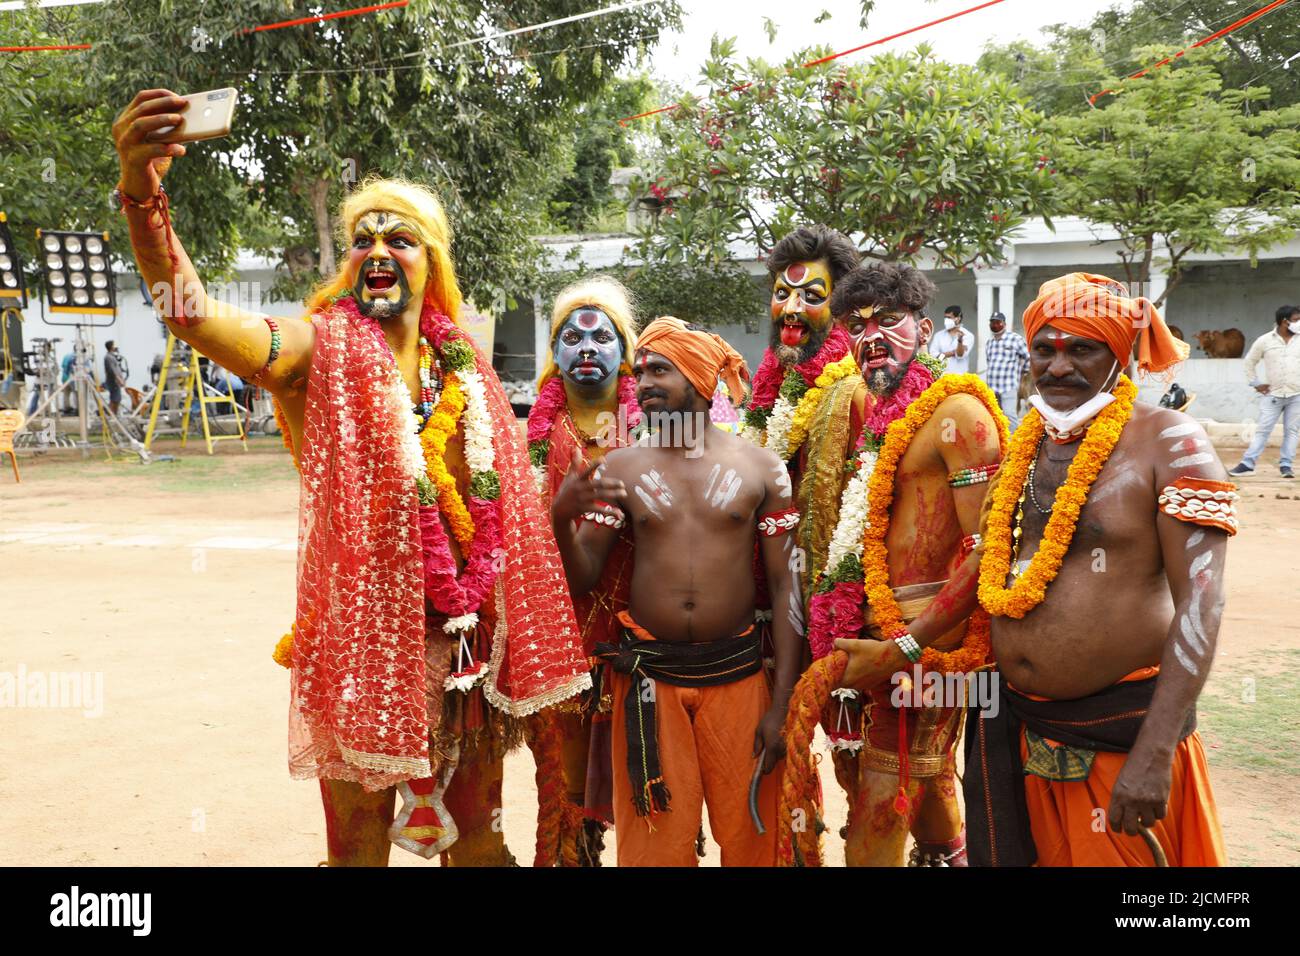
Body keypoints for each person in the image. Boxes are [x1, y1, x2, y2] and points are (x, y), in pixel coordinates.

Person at [113, 88, 589, 866]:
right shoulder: (313, 356)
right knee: (358, 856)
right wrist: (141, 191)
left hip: (465, 654)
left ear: (432, 262)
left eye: (399, 239)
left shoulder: (465, 372)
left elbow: (509, 520)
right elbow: (192, 314)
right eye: (362, 239)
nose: (376, 251)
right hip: (363, 654)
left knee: (479, 853)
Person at [962, 272, 1229, 866]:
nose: (1058, 368)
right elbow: (990, 562)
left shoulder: (1172, 443)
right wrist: (906, 646)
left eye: (1081, 349)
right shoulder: (1026, 445)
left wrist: (1156, 751)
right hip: (1021, 727)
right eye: (1045, 350)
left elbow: (1203, 602)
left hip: (1120, 735)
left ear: (1121, 358)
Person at [550, 317, 802, 866]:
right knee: (653, 847)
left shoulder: (762, 468)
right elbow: (582, 577)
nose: (642, 383)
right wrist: (561, 518)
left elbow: (787, 589)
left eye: (659, 369)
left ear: (699, 379)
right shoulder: (620, 467)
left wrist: (780, 705)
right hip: (650, 684)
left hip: (738, 677)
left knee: (754, 840)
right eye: (639, 371)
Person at [779, 262, 1006, 867]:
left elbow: (987, 549)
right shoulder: (876, 420)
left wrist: (907, 645)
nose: (871, 335)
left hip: (929, 644)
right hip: (875, 633)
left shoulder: (960, 413)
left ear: (925, 329)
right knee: (925, 783)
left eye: (889, 320)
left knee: (884, 796)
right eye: (856, 324)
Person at [525, 276, 642, 865]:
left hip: (642, 633)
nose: (587, 348)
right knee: (568, 786)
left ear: (626, 351)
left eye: (603, 337)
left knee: (646, 778)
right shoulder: (527, 438)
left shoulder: (658, 426)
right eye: (571, 337)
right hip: (558, 634)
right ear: (555, 353)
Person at [739, 224, 861, 487]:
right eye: (782, 294)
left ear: (840, 307)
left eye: (811, 296)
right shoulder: (771, 376)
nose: (791, 309)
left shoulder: (856, 387)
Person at [1230, 304, 1300, 479]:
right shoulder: (1265, 340)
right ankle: (1247, 464)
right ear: (1284, 322)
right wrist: (1256, 383)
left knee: (1292, 431)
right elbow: (1249, 362)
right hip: (1273, 394)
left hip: (1297, 394)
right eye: (1296, 320)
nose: (1299, 323)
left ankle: (1286, 466)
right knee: (1263, 430)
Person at [983, 311, 1030, 430]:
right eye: (992, 322)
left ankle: (1013, 445)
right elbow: (989, 362)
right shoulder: (990, 343)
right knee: (994, 416)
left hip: (1008, 386)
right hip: (992, 387)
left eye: (998, 322)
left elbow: (1028, 357)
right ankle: (1000, 443)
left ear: (1004, 324)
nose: (995, 325)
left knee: (1010, 416)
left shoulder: (1015, 339)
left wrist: (1024, 372)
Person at [928, 304, 973, 374]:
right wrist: (952, 353)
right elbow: (933, 356)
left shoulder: (968, 335)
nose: (946, 320)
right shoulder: (938, 335)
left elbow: (960, 355)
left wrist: (960, 341)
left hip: (960, 377)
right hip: (941, 376)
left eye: (949, 317)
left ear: (958, 318)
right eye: (945, 317)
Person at [103, 340, 129, 415]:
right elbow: (113, 370)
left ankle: (114, 414)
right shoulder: (108, 357)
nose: (115, 347)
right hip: (113, 381)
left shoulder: (112, 356)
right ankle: (111, 414)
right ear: (111, 347)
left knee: (117, 399)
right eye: (114, 345)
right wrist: (119, 379)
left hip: (116, 381)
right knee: (114, 399)